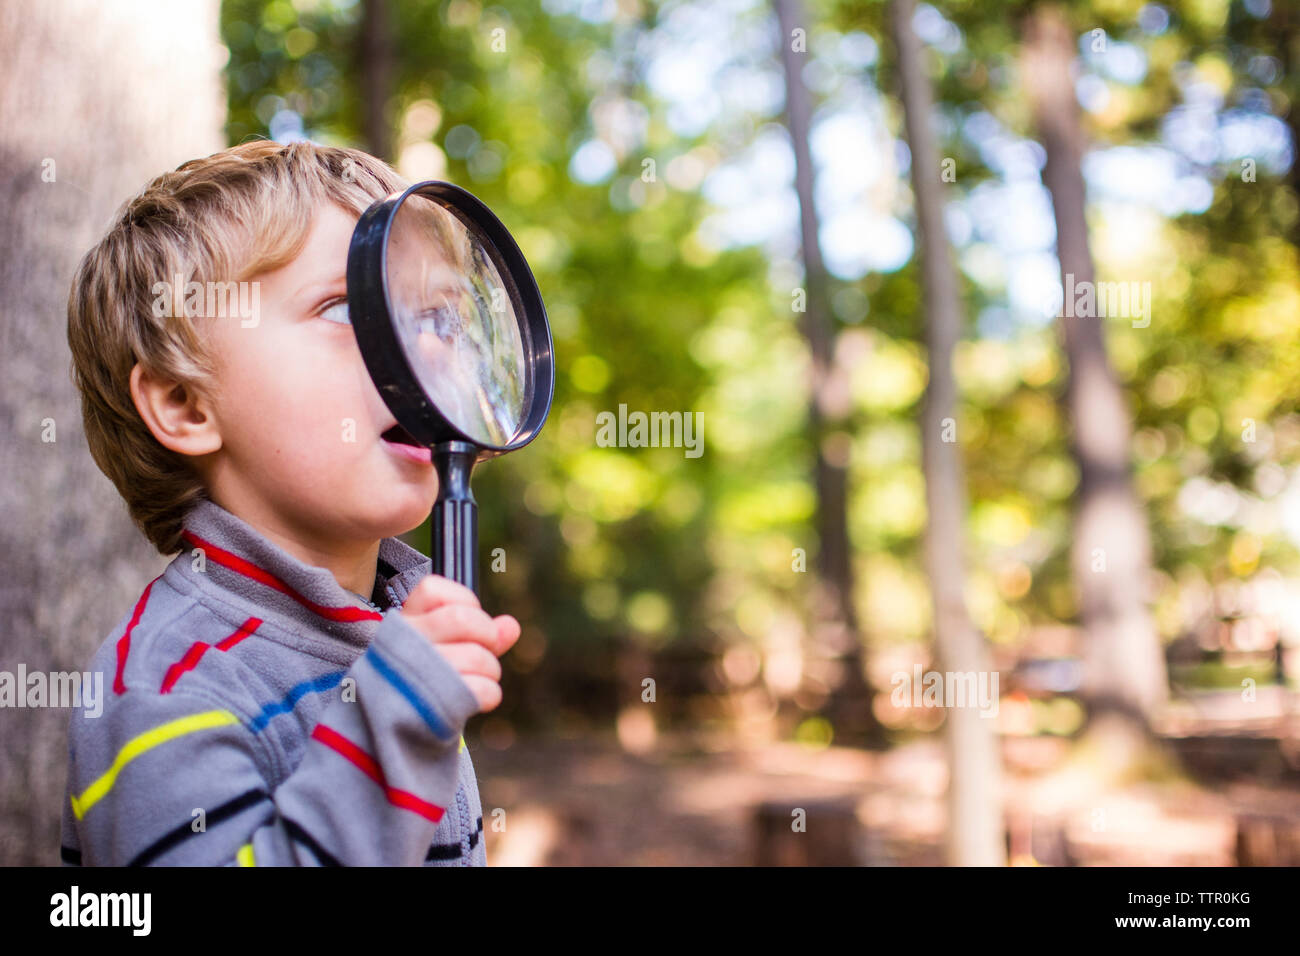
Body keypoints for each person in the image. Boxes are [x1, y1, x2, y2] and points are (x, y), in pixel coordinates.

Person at [60, 139, 519, 866]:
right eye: (344, 309)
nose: (426, 352)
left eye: (439, 319)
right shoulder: (168, 684)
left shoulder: (392, 633)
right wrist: (391, 725)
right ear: (183, 404)